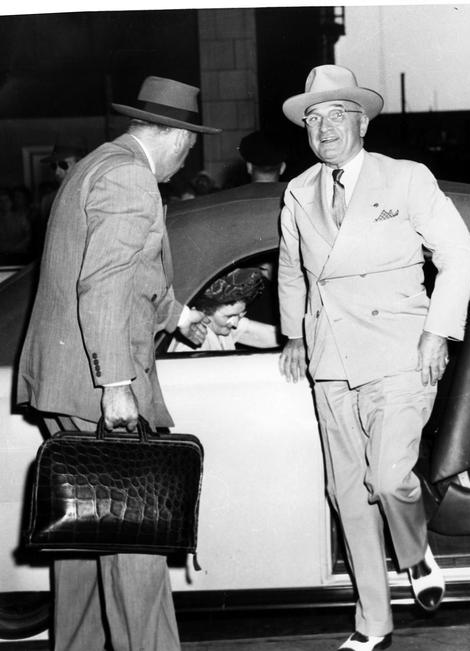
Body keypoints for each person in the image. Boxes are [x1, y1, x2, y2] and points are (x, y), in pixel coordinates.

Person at [16, 75, 220, 651]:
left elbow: (131, 274)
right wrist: (116, 383)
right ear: (175, 136)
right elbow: (102, 284)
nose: (185, 161)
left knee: (83, 540)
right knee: (137, 549)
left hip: (65, 382)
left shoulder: (96, 165)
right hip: (95, 386)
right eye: (189, 145)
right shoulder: (132, 178)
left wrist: (182, 319)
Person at [278, 64, 470, 651]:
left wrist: (438, 333)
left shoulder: (407, 179)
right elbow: (291, 268)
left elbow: (458, 256)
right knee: (347, 494)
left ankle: (414, 555)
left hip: (399, 351)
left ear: (361, 122)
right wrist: (293, 335)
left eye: (337, 114)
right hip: (331, 356)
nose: (325, 127)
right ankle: (372, 624)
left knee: (389, 479)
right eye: (314, 117)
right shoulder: (297, 191)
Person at [169, 267, 279, 352]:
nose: (235, 324)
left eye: (240, 315)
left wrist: (295, 339)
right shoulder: (188, 347)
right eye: (229, 316)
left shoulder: (220, 324)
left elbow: (270, 336)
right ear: (205, 312)